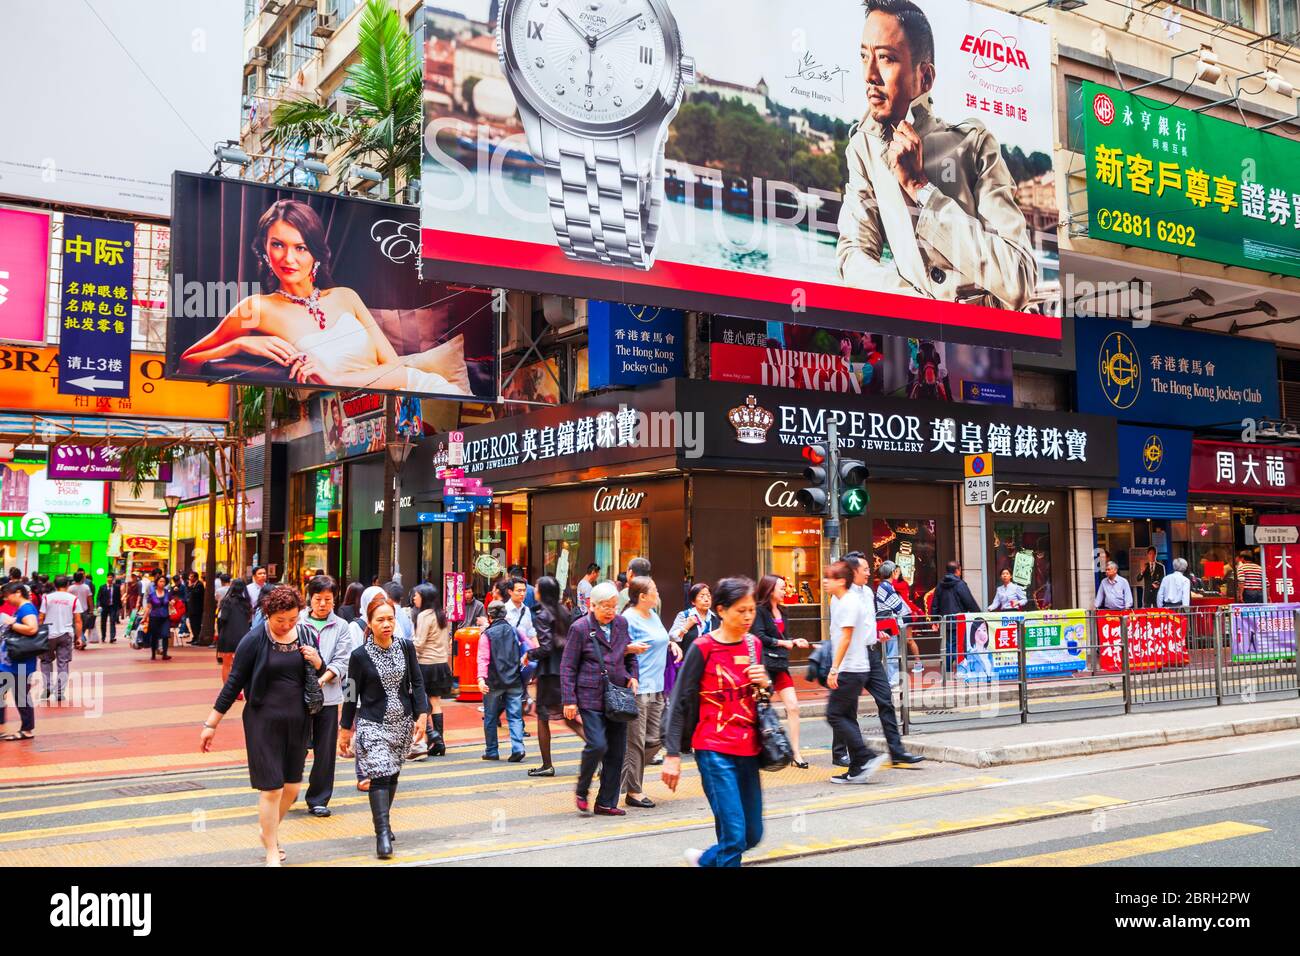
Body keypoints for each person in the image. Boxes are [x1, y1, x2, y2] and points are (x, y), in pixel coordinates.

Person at [836, 0, 1036, 311]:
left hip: (990, 341)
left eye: (886, 59)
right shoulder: (864, 148)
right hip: (917, 338)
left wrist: (921, 188)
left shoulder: (974, 144)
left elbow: (1019, 278)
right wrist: (920, 307)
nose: (870, 74)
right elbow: (853, 257)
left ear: (925, 78)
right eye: (864, 57)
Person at [178, 198, 470, 394]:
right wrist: (241, 343)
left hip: (420, 389)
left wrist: (337, 380)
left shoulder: (345, 296)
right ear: (264, 251)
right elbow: (186, 362)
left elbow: (395, 369)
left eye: (300, 247)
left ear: (315, 253)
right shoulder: (258, 308)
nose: (288, 258)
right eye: (278, 245)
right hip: (366, 409)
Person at [202, 586, 324, 866]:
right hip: (262, 721)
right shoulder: (254, 639)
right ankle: (272, 848)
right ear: (268, 614)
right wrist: (211, 723)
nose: (287, 625)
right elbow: (233, 684)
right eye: (281, 620)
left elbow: (316, 671)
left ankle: (268, 830)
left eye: (292, 619)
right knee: (272, 788)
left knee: (292, 788)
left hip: (298, 720)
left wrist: (319, 662)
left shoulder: (305, 634)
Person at [663, 577, 772, 867]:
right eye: (741, 610)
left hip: (749, 750)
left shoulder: (754, 646)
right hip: (713, 749)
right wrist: (672, 754)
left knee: (752, 834)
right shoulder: (703, 648)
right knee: (734, 835)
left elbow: (761, 699)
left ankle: (706, 861)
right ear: (721, 611)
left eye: (751, 609)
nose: (748, 616)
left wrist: (766, 684)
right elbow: (679, 701)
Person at [339, 592, 429, 859]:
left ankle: (384, 823)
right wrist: (345, 729)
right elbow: (350, 693)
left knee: (392, 775)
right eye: (380, 620)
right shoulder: (359, 655)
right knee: (379, 773)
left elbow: (418, 681)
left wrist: (422, 714)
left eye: (390, 619)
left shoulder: (405, 646)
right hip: (371, 723)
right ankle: (382, 835)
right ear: (370, 622)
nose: (387, 624)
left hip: (401, 723)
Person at [561, 581, 639, 816]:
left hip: (618, 696)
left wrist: (633, 676)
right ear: (591, 605)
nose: (610, 612)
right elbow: (568, 666)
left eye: (614, 607)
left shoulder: (621, 624)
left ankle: (606, 802)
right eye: (605, 607)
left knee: (616, 752)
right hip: (589, 696)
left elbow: (629, 655)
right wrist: (569, 700)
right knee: (597, 744)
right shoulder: (580, 628)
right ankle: (582, 790)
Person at [823, 560, 887, 784]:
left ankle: (865, 756)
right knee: (846, 715)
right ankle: (857, 767)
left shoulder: (848, 601)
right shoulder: (841, 600)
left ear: (841, 580)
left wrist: (834, 669)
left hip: (850, 669)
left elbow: (846, 638)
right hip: (853, 667)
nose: (824, 582)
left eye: (828, 578)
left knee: (835, 714)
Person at [620, 575, 679, 809]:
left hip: (657, 687)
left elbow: (661, 639)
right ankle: (634, 791)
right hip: (638, 688)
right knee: (636, 741)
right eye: (654, 590)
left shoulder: (653, 615)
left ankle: (618, 772)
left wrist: (671, 643)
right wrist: (628, 648)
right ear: (642, 596)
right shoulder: (627, 618)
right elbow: (612, 648)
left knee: (656, 739)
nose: (658, 592)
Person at [298, 576, 353, 816]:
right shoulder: (297, 621)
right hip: (296, 698)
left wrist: (321, 672)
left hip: (329, 698)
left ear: (334, 600)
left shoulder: (341, 626)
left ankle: (318, 799)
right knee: (294, 747)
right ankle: (288, 788)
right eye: (318, 599)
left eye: (327, 600)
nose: (322, 604)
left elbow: (343, 661)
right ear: (310, 597)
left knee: (325, 750)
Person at [528, 575, 584, 777]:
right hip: (565, 669)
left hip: (549, 672)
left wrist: (529, 654)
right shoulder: (563, 611)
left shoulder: (543, 614)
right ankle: (599, 752)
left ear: (541, 592)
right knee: (568, 717)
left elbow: (546, 646)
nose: (534, 589)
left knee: (543, 717)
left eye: (536, 586)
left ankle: (547, 765)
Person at [751, 574, 810, 768]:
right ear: (770, 590)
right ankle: (755, 751)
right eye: (782, 588)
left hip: (781, 665)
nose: (785, 591)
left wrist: (794, 641)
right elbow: (758, 635)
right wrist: (782, 642)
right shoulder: (759, 611)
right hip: (765, 665)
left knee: (793, 706)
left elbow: (786, 636)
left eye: (785, 588)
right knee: (758, 709)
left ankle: (795, 752)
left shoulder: (783, 611)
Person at [477, 600, 527, 763]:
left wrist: (481, 679)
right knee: (515, 716)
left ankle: (492, 750)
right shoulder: (514, 630)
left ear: (489, 616)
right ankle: (518, 748)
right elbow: (529, 645)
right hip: (514, 679)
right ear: (504, 615)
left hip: (493, 682)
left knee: (490, 717)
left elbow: (483, 659)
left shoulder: (487, 635)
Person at [411, 583, 452, 759]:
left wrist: (407, 645)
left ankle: (431, 737)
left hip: (426, 664)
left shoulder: (424, 616)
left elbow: (419, 644)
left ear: (425, 598)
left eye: (417, 595)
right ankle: (439, 741)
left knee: (419, 702)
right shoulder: (441, 615)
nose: (414, 598)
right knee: (436, 702)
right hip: (441, 663)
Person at [0, 583, 40, 740]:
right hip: (11, 662)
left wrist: (11, 623)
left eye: (7, 595)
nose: (6, 599)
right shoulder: (22, 608)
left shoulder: (27, 609)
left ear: (17, 593)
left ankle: (27, 729)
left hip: (21, 663)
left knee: (21, 696)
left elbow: (32, 628)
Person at [38, 575, 80, 701]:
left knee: (45, 661)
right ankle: (60, 692)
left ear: (54, 585)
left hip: (48, 634)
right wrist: (79, 637)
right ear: (67, 585)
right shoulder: (73, 599)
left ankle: (47, 688)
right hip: (65, 634)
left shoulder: (47, 598)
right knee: (63, 663)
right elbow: (78, 620)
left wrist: (39, 632)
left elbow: (41, 617)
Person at [933, 561, 980, 672]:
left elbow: (935, 603)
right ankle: (960, 669)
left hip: (945, 621)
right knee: (956, 646)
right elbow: (969, 601)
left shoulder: (940, 585)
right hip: (958, 620)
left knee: (948, 645)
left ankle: (947, 670)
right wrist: (978, 614)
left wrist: (935, 620)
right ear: (957, 570)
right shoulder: (960, 584)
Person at [217, 578, 254, 689]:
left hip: (227, 635)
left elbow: (222, 619)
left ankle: (227, 690)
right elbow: (249, 620)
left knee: (226, 664)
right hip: (243, 636)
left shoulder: (226, 601)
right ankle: (239, 690)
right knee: (241, 665)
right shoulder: (246, 603)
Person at [143, 571, 174, 661]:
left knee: (165, 635)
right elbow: (149, 607)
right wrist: (144, 618)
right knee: (154, 636)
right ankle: (153, 654)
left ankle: (165, 654)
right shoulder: (152, 595)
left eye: (164, 581)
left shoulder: (168, 593)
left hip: (165, 617)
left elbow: (172, 601)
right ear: (156, 582)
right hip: (154, 617)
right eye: (160, 581)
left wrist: (172, 603)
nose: (162, 583)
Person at [68, 571, 94, 648]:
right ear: (82, 578)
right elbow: (90, 599)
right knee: (82, 627)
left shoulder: (70, 588)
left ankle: (79, 641)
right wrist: (91, 610)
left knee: (76, 626)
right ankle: (82, 639)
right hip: (84, 610)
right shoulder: (86, 587)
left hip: (74, 611)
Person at [96, 573, 121, 644]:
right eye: (108, 577)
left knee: (112, 621)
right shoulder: (102, 587)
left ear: (113, 579)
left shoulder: (116, 587)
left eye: (111, 577)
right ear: (106, 578)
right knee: (103, 622)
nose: (110, 579)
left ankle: (112, 637)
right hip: (104, 607)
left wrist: (119, 607)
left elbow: (118, 597)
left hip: (113, 607)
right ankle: (103, 637)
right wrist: (98, 605)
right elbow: (98, 597)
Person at [186, 571, 207, 646]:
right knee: (192, 624)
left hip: (197, 609)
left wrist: (190, 586)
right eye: (190, 576)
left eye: (191, 577)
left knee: (196, 624)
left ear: (195, 577)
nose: (190, 578)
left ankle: (197, 638)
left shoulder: (199, 585)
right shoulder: (193, 585)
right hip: (192, 608)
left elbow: (195, 594)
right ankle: (194, 637)